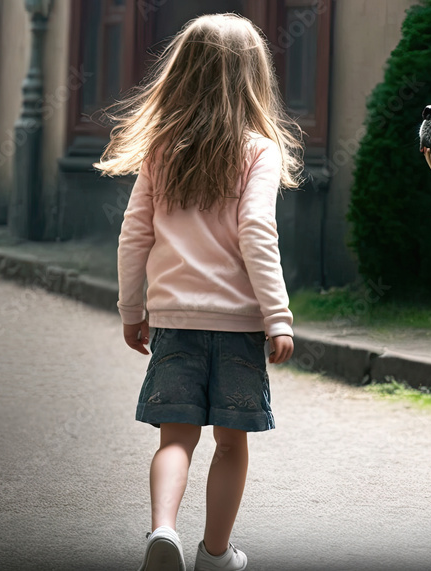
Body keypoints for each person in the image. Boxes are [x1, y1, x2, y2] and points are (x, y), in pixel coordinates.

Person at [96, 13, 303, 571]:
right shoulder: (259, 150)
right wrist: (277, 316)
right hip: (238, 326)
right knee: (232, 444)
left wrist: (131, 309)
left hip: (173, 322)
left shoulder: (162, 149)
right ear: (253, 77)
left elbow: (133, 233)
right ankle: (215, 554)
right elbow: (257, 230)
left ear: (182, 74)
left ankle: (163, 532)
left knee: (175, 440)